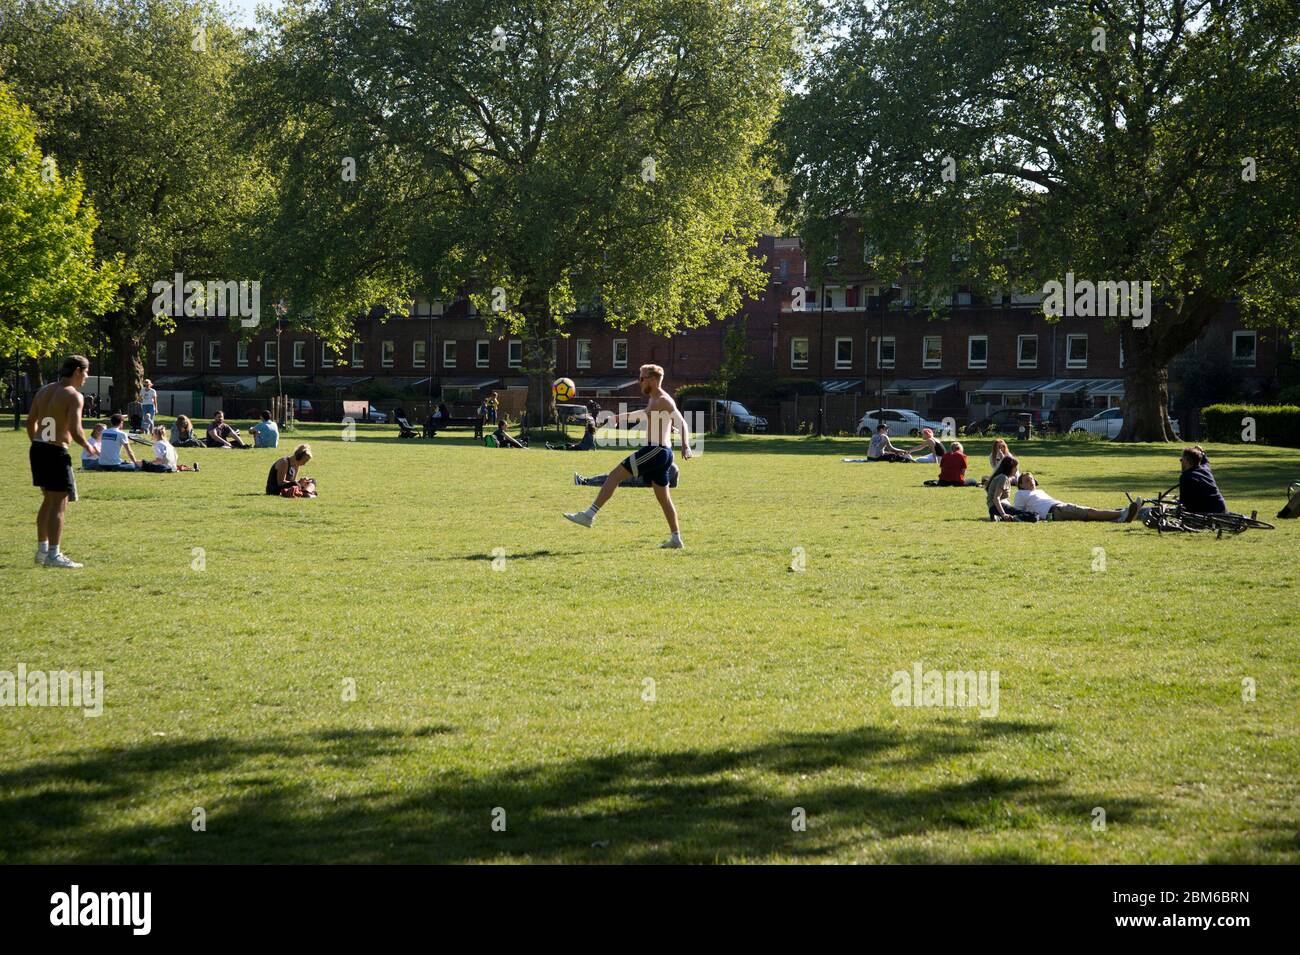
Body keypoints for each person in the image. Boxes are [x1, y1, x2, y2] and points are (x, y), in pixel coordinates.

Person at [564, 363, 692, 548]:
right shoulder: (653, 399)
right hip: (660, 452)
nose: (639, 381)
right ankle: (676, 538)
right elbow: (642, 414)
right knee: (663, 498)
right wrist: (617, 418)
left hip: (656, 451)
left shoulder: (664, 399)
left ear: (654, 380)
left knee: (615, 475)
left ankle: (588, 516)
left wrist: (686, 445)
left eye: (642, 378)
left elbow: (682, 423)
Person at [28, 356, 95, 568]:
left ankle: (43, 550)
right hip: (56, 452)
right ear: (77, 371)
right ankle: (54, 555)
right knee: (59, 503)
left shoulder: (45, 390)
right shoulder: (73, 396)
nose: (87, 376)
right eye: (85, 372)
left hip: (38, 449)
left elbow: (31, 422)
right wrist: (88, 446)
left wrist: (39, 443)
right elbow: (75, 430)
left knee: (48, 500)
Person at [1014, 472, 1142, 523]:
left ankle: (1122, 517)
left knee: (1090, 514)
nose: (1031, 481)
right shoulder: (1021, 494)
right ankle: (1123, 513)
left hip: (1060, 508)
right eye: (1027, 480)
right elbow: (1018, 511)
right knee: (1090, 512)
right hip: (1056, 510)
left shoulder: (1039, 491)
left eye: (1031, 479)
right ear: (1021, 485)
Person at [1178, 446, 1227, 514]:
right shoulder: (1206, 469)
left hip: (1206, 512)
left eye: (1181, 460)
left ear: (1186, 461)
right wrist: (1202, 453)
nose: (1181, 461)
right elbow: (1205, 461)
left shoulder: (1186, 477)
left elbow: (1184, 502)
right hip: (1221, 508)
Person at [575, 463, 679, 489]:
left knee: (612, 478)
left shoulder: (671, 467)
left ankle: (585, 482)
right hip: (641, 477)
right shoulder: (669, 465)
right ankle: (586, 480)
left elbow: (660, 483)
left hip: (639, 480)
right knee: (611, 476)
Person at [986, 454, 1023, 521]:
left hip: (995, 508)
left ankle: (999, 518)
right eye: (1016, 467)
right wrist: (1003, 514)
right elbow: (996, 498)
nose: (1017, 470)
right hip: (996, 507)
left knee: (1021, 512)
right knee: (1031, 515)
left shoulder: (1003, 477)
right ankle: (1003, 517)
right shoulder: (1003, 478)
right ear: (1010, 468)